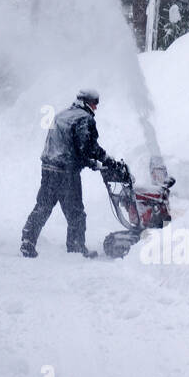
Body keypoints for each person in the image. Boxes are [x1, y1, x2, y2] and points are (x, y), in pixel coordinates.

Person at [20, 88, 127, 259]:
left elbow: (66, 145)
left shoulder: (61, 115)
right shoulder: (84, 119)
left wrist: (90, 163)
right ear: (86, 102)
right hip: (66, 173)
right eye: (94, 104)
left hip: (48, 168)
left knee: (43, 206)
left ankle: (28, 240)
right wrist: (108, 161)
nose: (96, 108)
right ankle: (76, 248)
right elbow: (87, 147)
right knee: (76, 212)